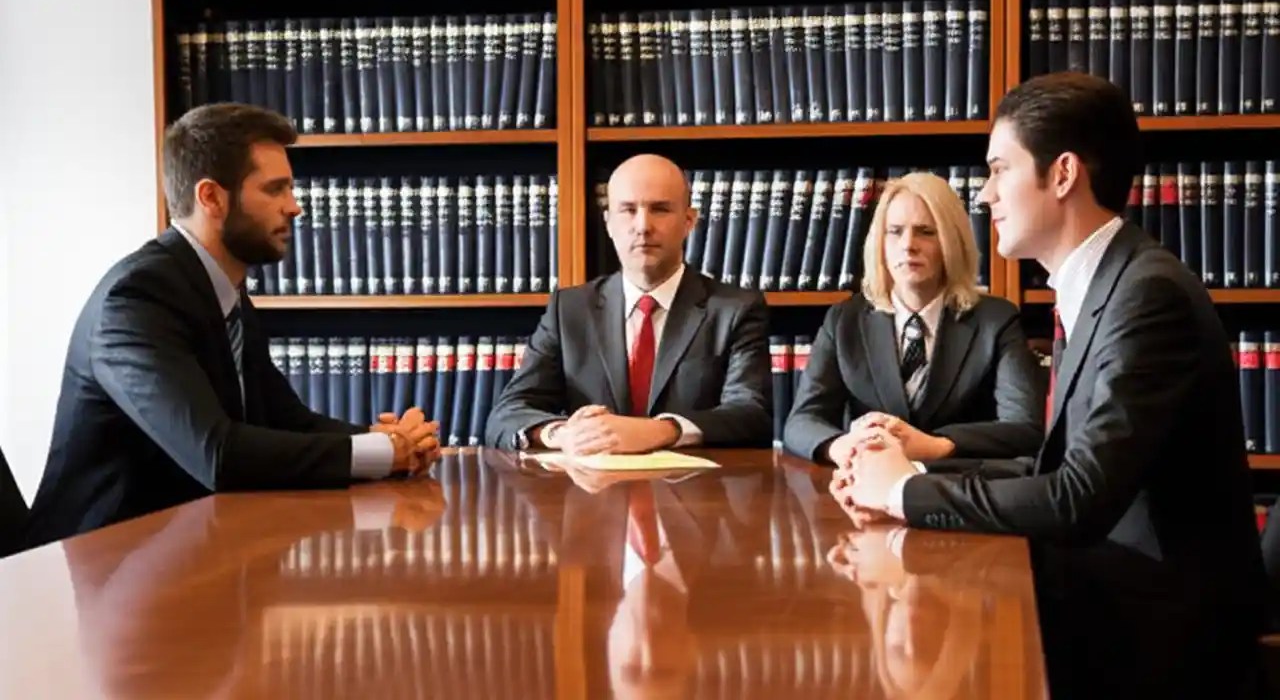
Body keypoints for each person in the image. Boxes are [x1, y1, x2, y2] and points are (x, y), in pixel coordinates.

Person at [831, 72, 1267, 697]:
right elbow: (1053, 465)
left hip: (1164, 632)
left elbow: (1078, 499)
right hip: (1111, 593)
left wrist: (902, 494)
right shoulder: (1099, 286)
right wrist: (912, 480)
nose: (985, 195)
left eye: (1000, 169)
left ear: (1062, 175)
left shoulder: (1147, 295)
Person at [23, 103, 441, 549]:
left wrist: (391, 442)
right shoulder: (137, 299)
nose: (294, 208)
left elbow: (288, 421)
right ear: (212, 198)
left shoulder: (224, 290)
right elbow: (216, 454)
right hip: (94, 573)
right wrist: (383, 453)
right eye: (275, 189)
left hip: (186, 555)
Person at [485, 153, 772, 454]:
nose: (643, 225)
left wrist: (660, 431)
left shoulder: (735, 309)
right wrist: (562, 434)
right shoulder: (569, 309)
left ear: (689, 221)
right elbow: (508, 413)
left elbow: (751, 415)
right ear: (608, 222)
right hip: (592, 492)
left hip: (692, 494)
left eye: (660, 209)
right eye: (628, 210)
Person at [783, 171, 1043, 469]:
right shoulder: (845, 320)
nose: (908, 245)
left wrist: (934, 446)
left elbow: (1025, 428)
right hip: (865, 490)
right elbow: (801, 422)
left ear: (952, 241)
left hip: (959, 493)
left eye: (926, 231)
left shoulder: (996, 320)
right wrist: (842, 446)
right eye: (895, 231)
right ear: (879, 243)